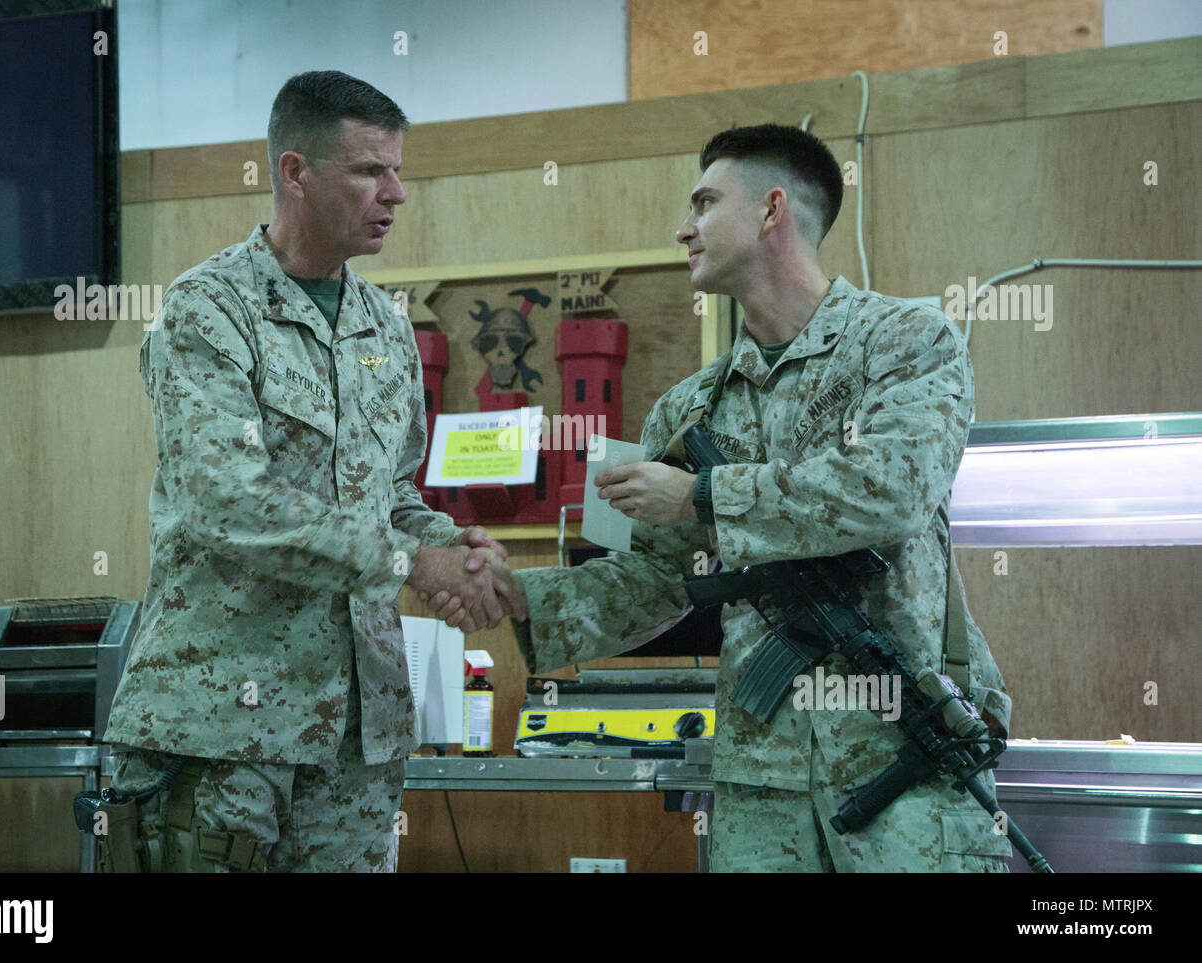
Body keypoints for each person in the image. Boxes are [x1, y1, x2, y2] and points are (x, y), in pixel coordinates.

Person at [427, 123, 1014, 872]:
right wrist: (516, 595)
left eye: (704, 203)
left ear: (773, 210)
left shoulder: (907, 342)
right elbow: (658, 577)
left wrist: (703, 493)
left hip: (907, 757)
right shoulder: (685, 410)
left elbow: (891, 491)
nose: (684, 228)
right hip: (761, 781)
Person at [103, 70, 521, 873]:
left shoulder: (387, 329)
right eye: (370, 170)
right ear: (295, 172)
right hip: (224, 725)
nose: (395, 192)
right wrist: (412, 562)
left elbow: (393, 495)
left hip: (358, 733)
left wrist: (459, 550)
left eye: (398, 169)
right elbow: (228, 502)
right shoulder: (207, 310)